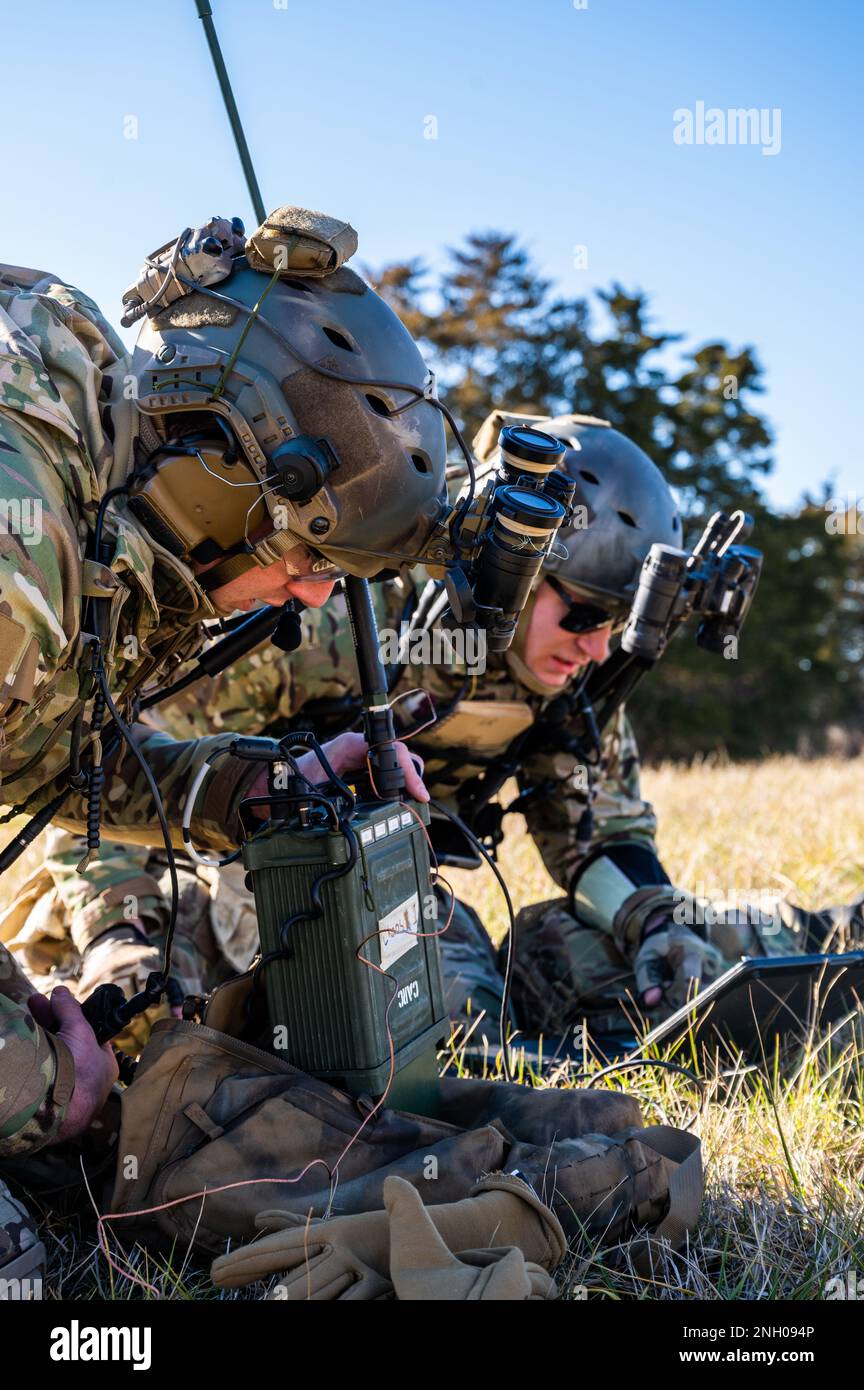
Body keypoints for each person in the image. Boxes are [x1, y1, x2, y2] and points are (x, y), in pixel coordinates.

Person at [0, 206, 452, 1285]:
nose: (312, 593)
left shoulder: (104, 509)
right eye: (310, 555)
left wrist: (259, 782)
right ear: (223, 476)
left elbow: (43, 753)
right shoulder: (20, 548)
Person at [11, 409, 766, 1051]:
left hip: (393, 895)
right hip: (211, 888)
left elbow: (597, 838)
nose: (596, 646)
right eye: (585, 614)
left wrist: (657, 924)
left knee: (605, 956)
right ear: (521, 566)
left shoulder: (574, 682)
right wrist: (124, 939)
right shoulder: (334, 624)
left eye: (615, 625)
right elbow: (108, 772)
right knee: (427, 975)